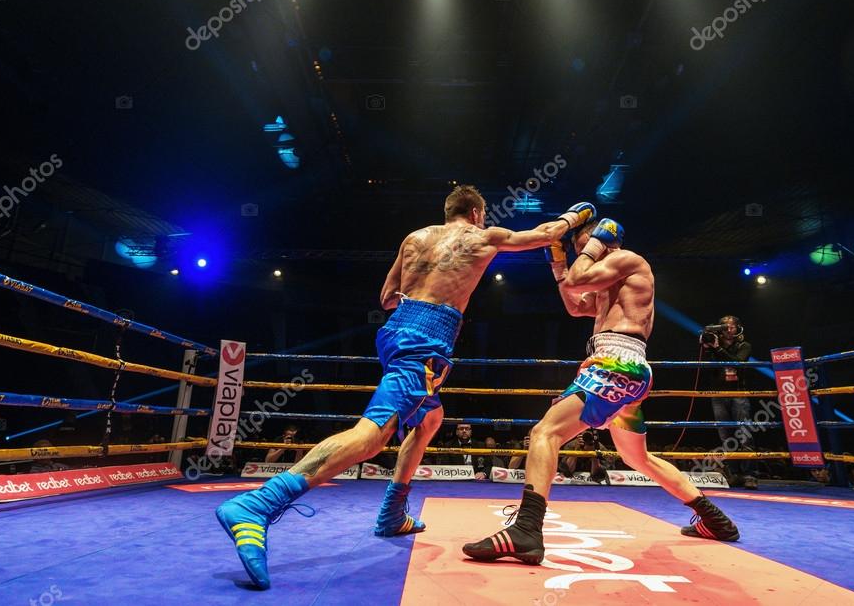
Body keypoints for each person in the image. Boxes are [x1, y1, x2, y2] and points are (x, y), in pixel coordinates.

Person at [215, 185, 596, 589]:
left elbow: (385, 298)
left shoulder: (414, 238)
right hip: (425, 341)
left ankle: (393, 513)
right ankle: (256, 505)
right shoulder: (483, 236)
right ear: (476, 211)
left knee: (430, 418)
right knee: (372, 435)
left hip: (396, 331)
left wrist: (428, 291)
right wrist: (578, 215)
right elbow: (544, 234)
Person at [463, 219, 739, 565]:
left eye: (587, 247)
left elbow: (580, 278)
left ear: (605, 239)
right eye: (580, 251)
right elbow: (576, 304)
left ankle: (527, 530)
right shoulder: (612, 281)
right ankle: (715, 520)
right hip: (623, 369)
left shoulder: (630, 261)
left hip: (615, 364)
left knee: (544, 433)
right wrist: (558, 266)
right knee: (637, 458)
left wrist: (587, 250)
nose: (584, 254)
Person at [701, 316, 758, 489]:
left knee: (744, 433)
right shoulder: (712, 346)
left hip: (738, 393)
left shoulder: (744, 345)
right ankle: (734, 474)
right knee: (725, 436)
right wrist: (706, 347)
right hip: (718, 394)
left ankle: (750, 475)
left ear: (738, 328)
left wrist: (718, 348)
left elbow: (738, 362)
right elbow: (705, 367)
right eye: (724, 326)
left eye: (731, 326)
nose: (728, 329)